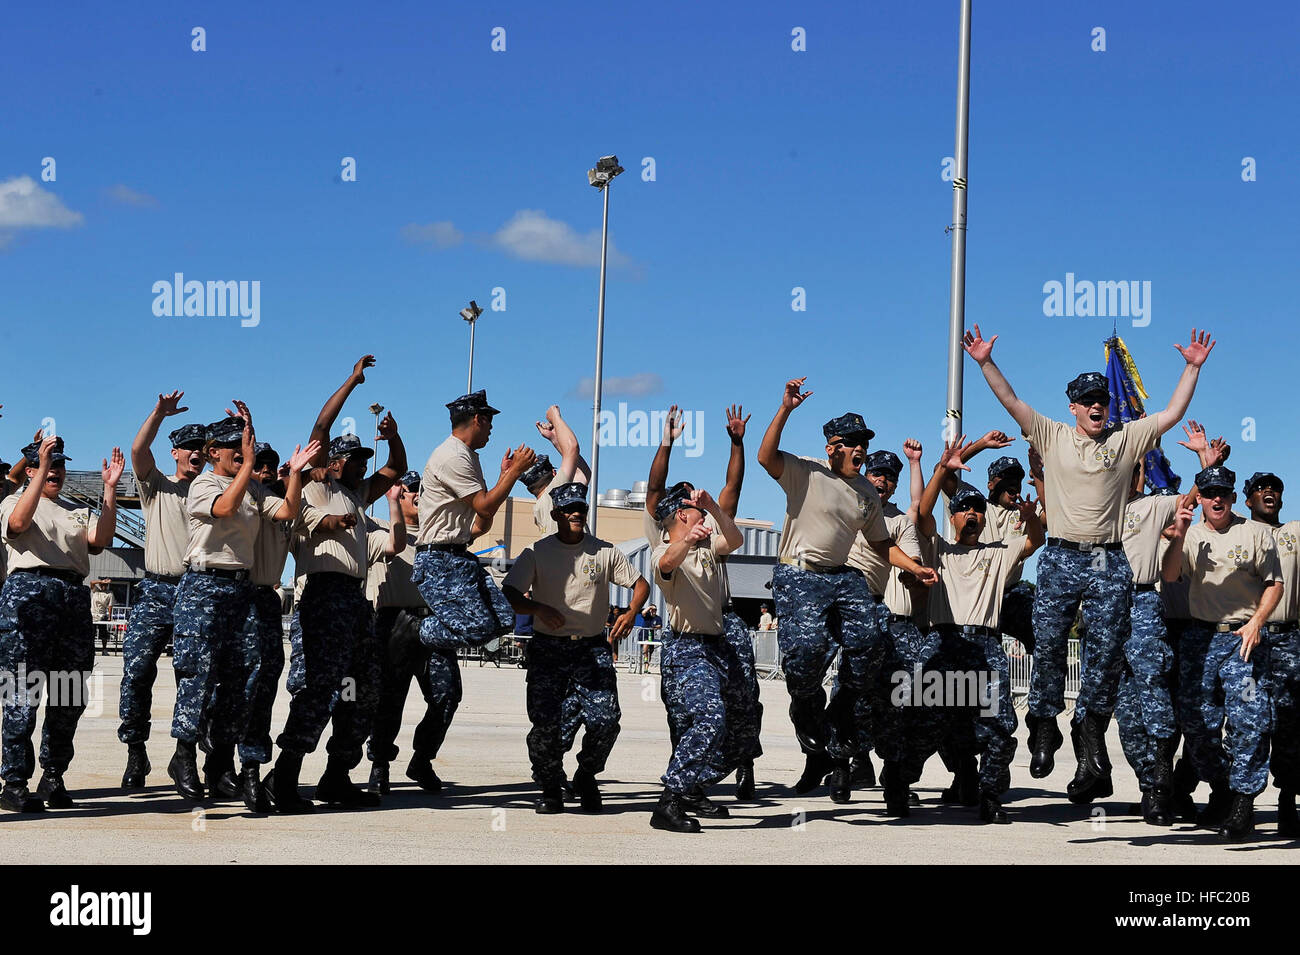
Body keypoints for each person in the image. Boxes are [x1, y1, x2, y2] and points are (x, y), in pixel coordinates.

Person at [963, 325, 1215, 797]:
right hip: (1060, 555)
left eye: (1101, 398)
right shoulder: (1051, 434)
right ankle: (1043, 725)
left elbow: (1173, 413)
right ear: (1073, 407)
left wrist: (1191, 367)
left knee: (1105, 653)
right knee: (1051, 644)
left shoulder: (1125, 440)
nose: (1097, 405)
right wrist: (984, 363)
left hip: (1109, 558)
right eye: (1087, 400)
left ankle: (1091, 726)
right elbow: (1011, 400)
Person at [757, 378, 936, 801]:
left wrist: (915, 567)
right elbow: (765, 457)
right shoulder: (806, 471)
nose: (860, 450)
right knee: (803, 660)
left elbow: (880, 544)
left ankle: (840, 712)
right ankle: (808, 712)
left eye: (864, 444)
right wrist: (785, 409)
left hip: (841, 577)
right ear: (832, 447)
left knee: (872, 641)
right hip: (800, 573)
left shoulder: (866, 494)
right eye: (851, 443)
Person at [269, 356, 405, 812]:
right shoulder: (313, 487)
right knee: (320, 688)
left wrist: (393, 438)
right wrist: (353, 380)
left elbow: (397, 468)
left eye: (365, 460)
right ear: (333, 460)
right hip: (323, 594)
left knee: (363, 688)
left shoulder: (358, 495)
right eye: (354, 459)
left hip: (354, 599)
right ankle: (283, 776)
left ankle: (336, 776)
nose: (362, 466)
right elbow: (322, 425)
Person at [169, 408, 310, 803]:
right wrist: (248, 465)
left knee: (241, 681)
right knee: (197, 673)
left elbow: (285, 511)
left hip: (240, 590)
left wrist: (295, 475)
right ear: (213, 452)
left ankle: (218, 762)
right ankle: (183, 756)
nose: (240, 451)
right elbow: (225, 508)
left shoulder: (253, 489)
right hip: (203, 584)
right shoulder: (204, 484)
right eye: (233, 446)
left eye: (242, 444)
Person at [914, 438, 1043, 823]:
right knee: (928, 719)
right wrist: (942, 466)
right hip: (946, 641)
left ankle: (989, 794)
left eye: (975, 511)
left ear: (982, 520)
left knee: (1000, 724)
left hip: (986, 642)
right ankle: (904, 783)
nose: (970, 513)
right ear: (953, 518)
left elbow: (1036, 540)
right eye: (962, 510)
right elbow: (923, 513)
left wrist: (1031, 512)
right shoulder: (938, 549)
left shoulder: (999, 549)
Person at [413, 389, 534, 785]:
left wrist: (502, 477)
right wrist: (512, 475)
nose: (492, 430)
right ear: (478, 419)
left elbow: (480, 521)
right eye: (490, 422)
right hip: (440, 559)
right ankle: (419, 631)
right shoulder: (451, 455)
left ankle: (421, 759)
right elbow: (483, 507)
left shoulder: (469, 458)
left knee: (501, 618)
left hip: (458, 555)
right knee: (481, 629)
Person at [503, 482, 647, 814]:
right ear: (555, 515)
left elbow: (641, 584)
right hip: (548, 651)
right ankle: (551, 787)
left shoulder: (604, 551)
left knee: (606, 720)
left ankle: (585, 775)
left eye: (580, 508)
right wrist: (537, 608)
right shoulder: (537, 552)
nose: (576, 514)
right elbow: (510, 592)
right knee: (546, 725)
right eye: (569, 510)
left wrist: (631, 612)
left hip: (591, 650)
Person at [647, 403, 765, 800]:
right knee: (696, 711)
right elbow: (654, 490)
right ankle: (686, 788)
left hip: (725, 622)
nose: (694, 500)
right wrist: (666, 442)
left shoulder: (710, 527)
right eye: (687, 501)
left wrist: (736, 444)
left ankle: (736, 766)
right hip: (689, 631)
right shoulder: (663, 533)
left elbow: (732, 490)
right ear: (677, 511)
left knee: (743, 702)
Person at [0, 436, 123, 811]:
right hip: (30, 593)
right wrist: (34, 473)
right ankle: (14, 782)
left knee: (69, 693)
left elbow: (100, 541)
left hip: (71, 597)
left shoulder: (74, 510)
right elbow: (18, 524)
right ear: (33, 470)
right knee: (22, 691)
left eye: (60, 466)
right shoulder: (11, 502)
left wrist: (110, 491)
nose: (56, 471)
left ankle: (53, 775)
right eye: (47, 465)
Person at [1161, 465, 1281, 840]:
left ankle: (1244, 802)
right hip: (1201, 639)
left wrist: (1258, 621)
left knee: (1249, 719)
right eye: (1209, 493)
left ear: (1232, 497)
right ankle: (1222, 788)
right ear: (1202, 501)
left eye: (1222, 493)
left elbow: (1274, 583)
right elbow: (1168, 575)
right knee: (1198, 727)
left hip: (1242, 640)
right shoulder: (1192, 535)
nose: (1216, 499)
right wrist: (1178, 534)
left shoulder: (1256, 534)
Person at [118, 392, 207, 791]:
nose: (196, 455)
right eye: (188, 448)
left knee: (196, 676)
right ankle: (135, 749)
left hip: (197, 589)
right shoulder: (157, 486)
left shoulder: (213, 492)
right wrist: (158, 413)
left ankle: (184, 754)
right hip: (156, 589)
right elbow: (138, 449)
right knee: (137, 672)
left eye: (201, 449)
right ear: (174, 452)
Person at [647, 484, 744, 832]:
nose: (702, 517)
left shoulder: (707, 546)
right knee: (707, 719)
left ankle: (690, 789)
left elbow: (735, 540)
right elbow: (668, 563)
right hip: (687, 648)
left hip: (716, 647)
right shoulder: (663, 550)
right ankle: (669, 801)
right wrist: (688, 539)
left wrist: (714, 508)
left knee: (737, 728)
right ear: (682, 516)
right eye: (697, 511)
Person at [844, 448, 928, 812]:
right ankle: (846, 763)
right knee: (849, 696)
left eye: (889, 477)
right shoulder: (845, 511)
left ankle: (895, 779)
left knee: (899, 703)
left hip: (892, 621)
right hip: (851, 619)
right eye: (876, 472)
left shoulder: (898, 523)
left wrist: (915, 572)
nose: (882, 480)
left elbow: (918, 507)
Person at [367, 471, 449, 795]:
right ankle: (380, 765)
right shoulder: (378, 527)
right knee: (389, 700)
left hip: (434, 623)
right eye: (413, 489)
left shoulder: (438, 534)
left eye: (423, 490)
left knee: (447, 695)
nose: (419, 494)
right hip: (394, 623)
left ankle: (422, 761)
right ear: (398, 495)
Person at [1111, 467, 1184, 820]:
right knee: (1125, 711)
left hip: (1142, 602)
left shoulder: (1152, 506)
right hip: (1107, 608)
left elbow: (1193, 499)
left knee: (1154, 691)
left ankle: (1161, 781)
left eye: (1132, 472)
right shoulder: (1098, 508)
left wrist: (1204, 458)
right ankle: (1148, 785)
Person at [1241, 470, 1300, 837]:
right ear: (1247, 500)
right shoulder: (1240, 533)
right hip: (1251, 640)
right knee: (1248, 723)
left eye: (1274, 488)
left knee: (1291, 724)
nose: (1268, 492)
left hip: (1290, 639)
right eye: (1260, 489)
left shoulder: (1294, 533)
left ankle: (1287, 800)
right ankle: (1239, 801)